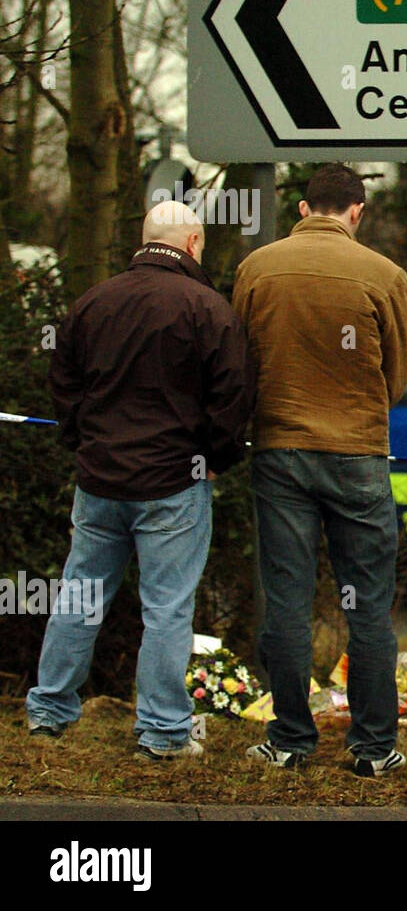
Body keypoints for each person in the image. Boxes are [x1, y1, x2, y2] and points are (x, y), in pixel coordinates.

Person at [30, 201, 255, 760]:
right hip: (173, 482)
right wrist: (213, 458)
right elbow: (232, 399)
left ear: (144, 239)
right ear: (194, 242)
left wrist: (82, 441)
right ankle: (162, 732)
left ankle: (49, 709)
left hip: (100, 479)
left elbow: (63, 382)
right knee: (168, 609)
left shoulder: (92, 302)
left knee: (80, 594)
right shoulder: (208, 308)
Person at [233, 164, 407, 778]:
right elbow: (398, 377)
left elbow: (242, 362)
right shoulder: (385, 276)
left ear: (304, 209)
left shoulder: (257, 268)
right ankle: (372, 747)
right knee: (368, 607)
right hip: (358, 453)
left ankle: (288, 739)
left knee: (285, 601)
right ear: (357, 213)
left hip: (280, 449)